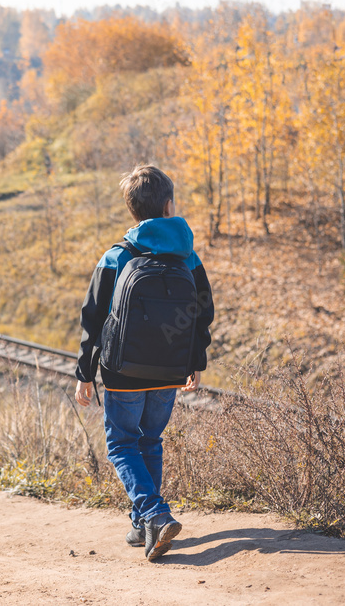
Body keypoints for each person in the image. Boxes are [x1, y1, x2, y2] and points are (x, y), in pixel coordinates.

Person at [74, 164, 214, 562]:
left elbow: (93, 317)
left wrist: (85, 372)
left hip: (123, 371)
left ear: (132, 210)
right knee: (150, 440)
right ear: (169, 206)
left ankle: (154, 512)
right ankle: (143, 527)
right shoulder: (188, 258)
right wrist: (194, 361)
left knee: (121, 443)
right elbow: (203, 312)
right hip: (170, 368)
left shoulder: (117, 256)